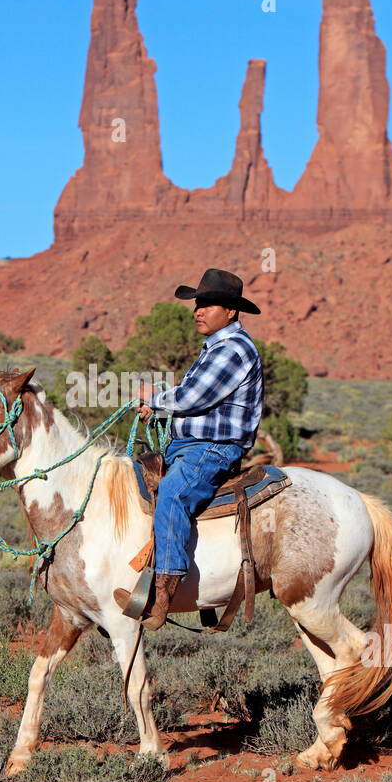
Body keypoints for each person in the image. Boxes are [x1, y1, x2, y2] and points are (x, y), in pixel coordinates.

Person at [116, 268, 264, 630]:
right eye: (197, 304)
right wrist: (160, 408)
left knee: (172, 492)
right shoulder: (213, 348)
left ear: (231, 311)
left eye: (208, 304)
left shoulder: (234, 349)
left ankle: (162, 595)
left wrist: (157, 399)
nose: (198, 310)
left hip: (212, 448)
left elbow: (195, 397)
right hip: (190, 444)